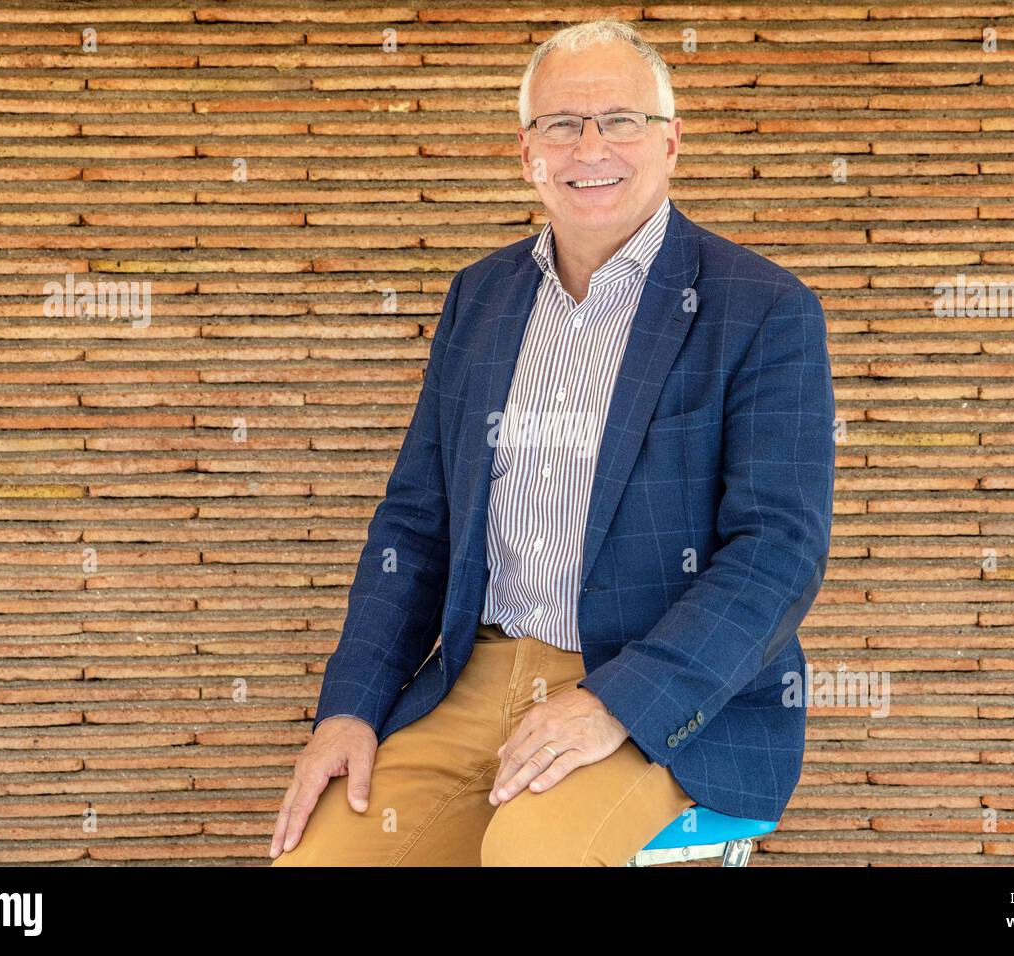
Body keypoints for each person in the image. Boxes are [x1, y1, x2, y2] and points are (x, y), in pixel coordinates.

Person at [270, 18, 835, 867]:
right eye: (561, 124)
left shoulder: (762, 310)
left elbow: (777, 554)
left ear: (671, 140)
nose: (590, 146)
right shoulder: (479, 300)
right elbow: (414, 524)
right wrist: (349, 708)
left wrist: (618, 702)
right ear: (526, 152)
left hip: (655, 685)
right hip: (474, 675)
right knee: (321, 862)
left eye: (620, 119)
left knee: (534, 855)